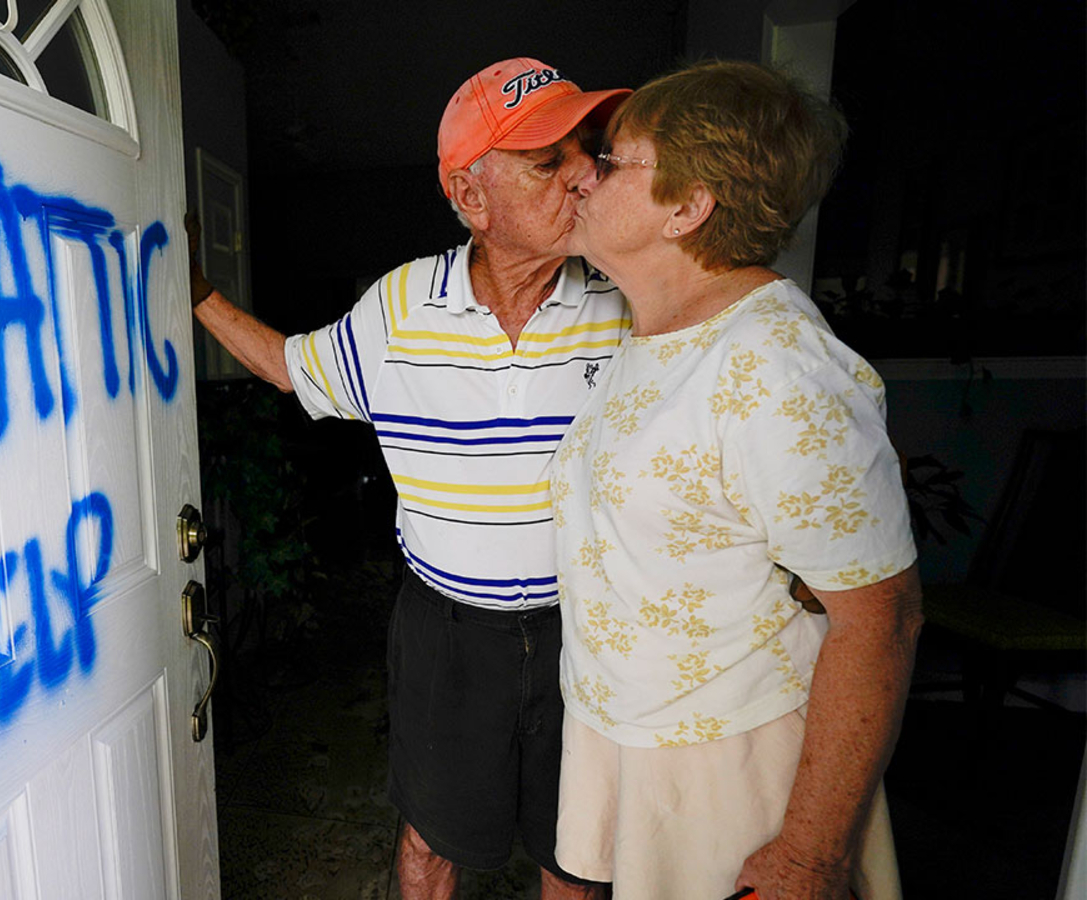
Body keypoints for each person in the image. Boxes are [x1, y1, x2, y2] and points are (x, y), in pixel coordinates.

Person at [189, 59, 629, 899]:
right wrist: (199, 293)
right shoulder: (398, 309)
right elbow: (290, 368)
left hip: (593, 629)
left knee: (578, 855)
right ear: (470, 196)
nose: (585, 176)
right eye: (548, 162)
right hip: (449, 636)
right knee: (432, 843)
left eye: (587, 151)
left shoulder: (626, 300)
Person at [549, 59, 922, 900]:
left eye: (610, 160)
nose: (582, 175)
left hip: (734, 764)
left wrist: (807, 854)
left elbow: (881, 620)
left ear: (688, 207)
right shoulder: (657, 333)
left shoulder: (777, 364)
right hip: (638, 738)